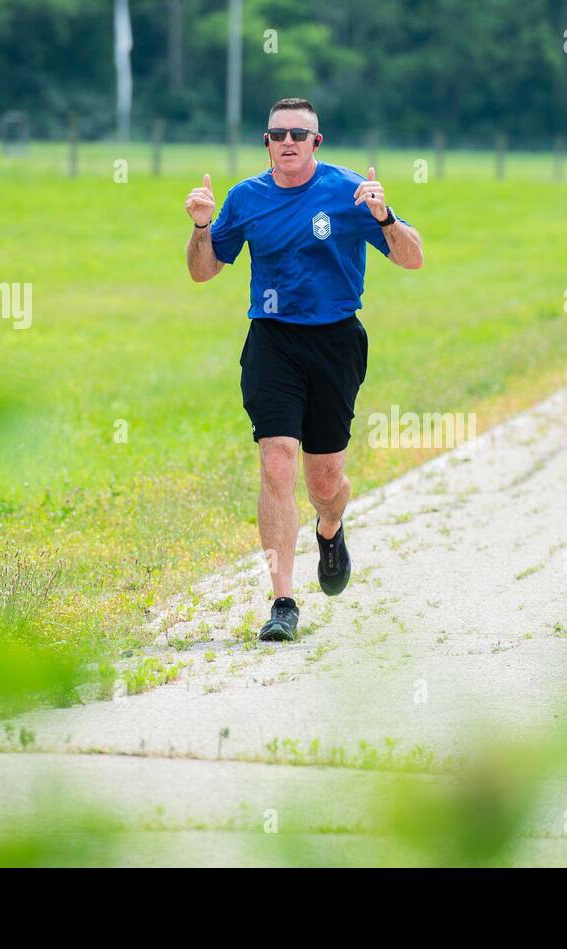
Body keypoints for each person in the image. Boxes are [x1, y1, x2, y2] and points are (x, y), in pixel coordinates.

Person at [184, 97, 424, 640]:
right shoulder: (246, 198)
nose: (287, 141)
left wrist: (384, 215)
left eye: (299, 133)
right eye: (277, 133)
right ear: (265, 142)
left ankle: (330, 528)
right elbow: (203, 272)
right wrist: (202, 227)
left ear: (317, 142)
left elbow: (413, 257)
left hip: (336, 342)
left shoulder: (347, 193)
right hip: (272, 340)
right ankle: (283, 602)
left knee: (325, 479)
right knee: (276, 462)